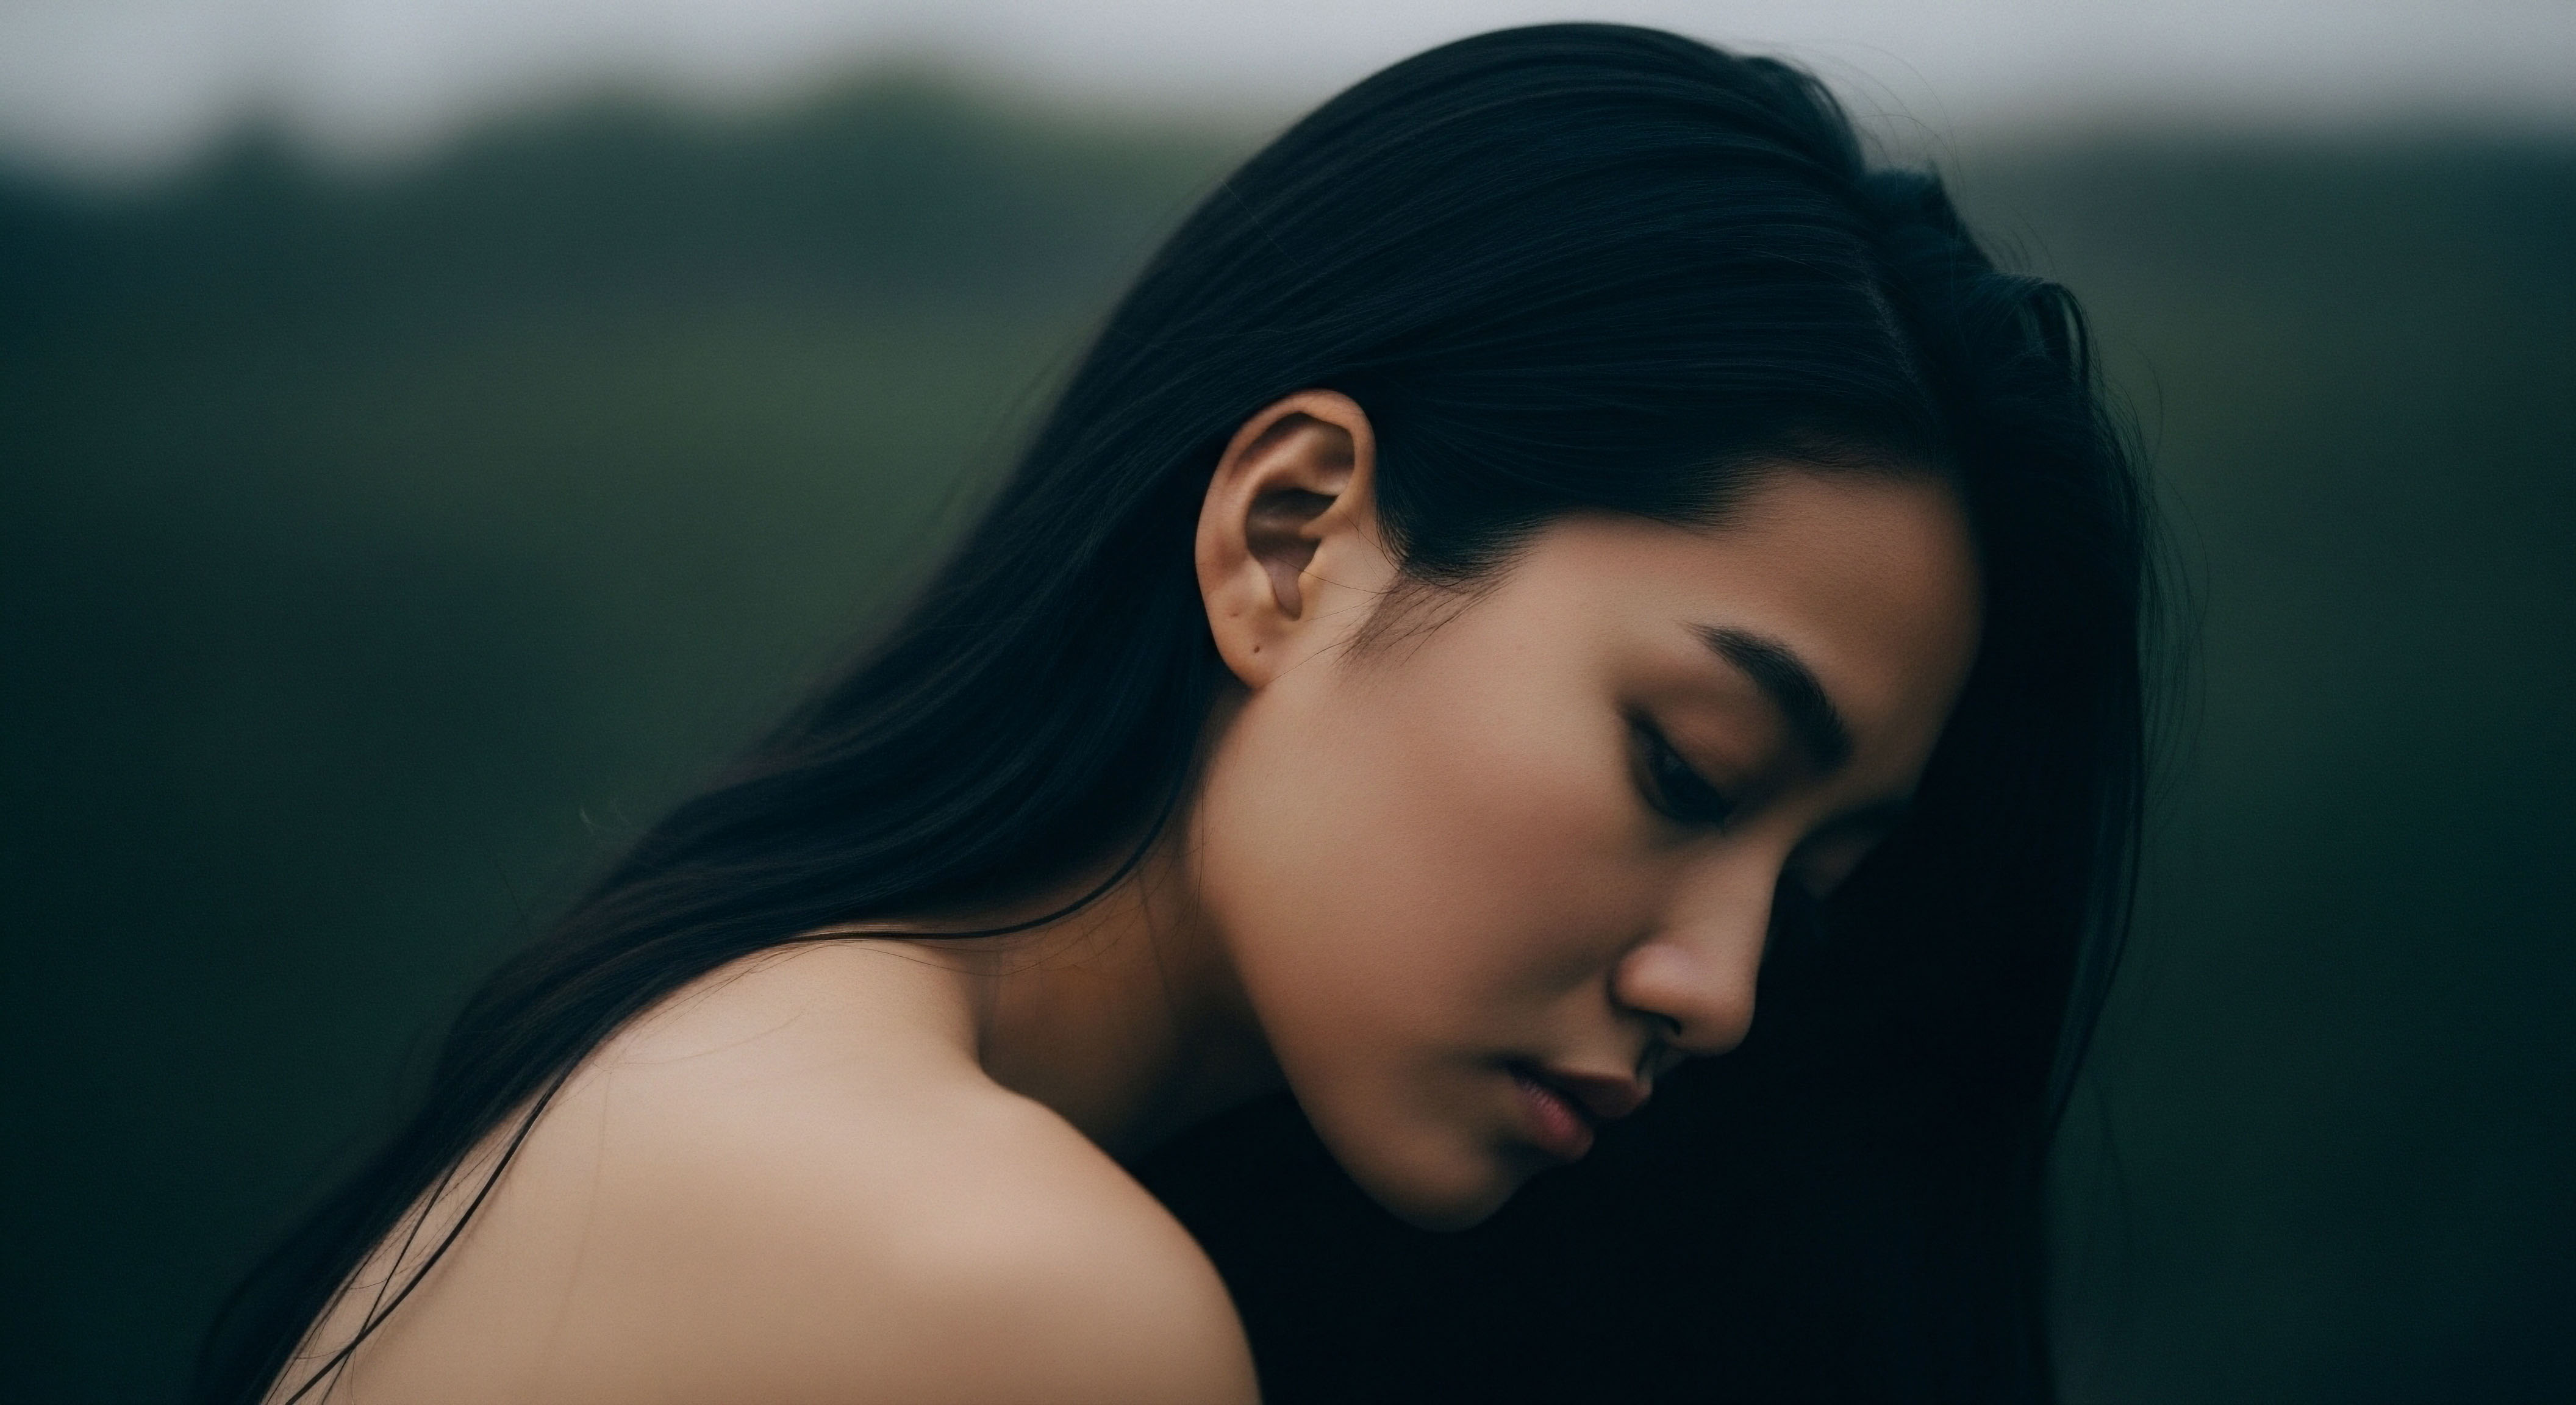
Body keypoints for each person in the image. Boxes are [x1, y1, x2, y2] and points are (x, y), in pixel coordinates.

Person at [201, 23, 2150, 1405]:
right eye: (1687, 765)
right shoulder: (998, 1293)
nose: (1721, 990)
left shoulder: (740, 1059)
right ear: (1293, 538)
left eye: (1810, 888)